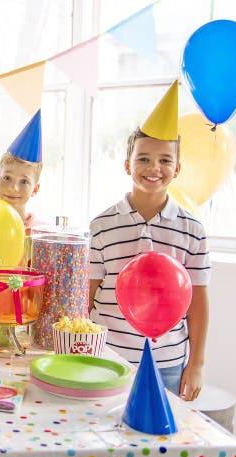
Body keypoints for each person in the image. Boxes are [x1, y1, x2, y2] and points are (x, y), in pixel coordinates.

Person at [88, 82, 209, 401]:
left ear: (177, 169)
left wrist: (196, 364)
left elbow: (197, 302)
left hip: (167, 361)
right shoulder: (101, 226)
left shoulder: (193, 230)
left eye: (165, 160)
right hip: (107, 354)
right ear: (127, 165)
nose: (154, 168)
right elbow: (87, 294)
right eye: (143, 159)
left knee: (159, 430)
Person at [0, 110, 45, 233]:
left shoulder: (41, 234)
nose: (13, 188)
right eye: (7, 178)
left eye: (24, 181)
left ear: (35, 189)